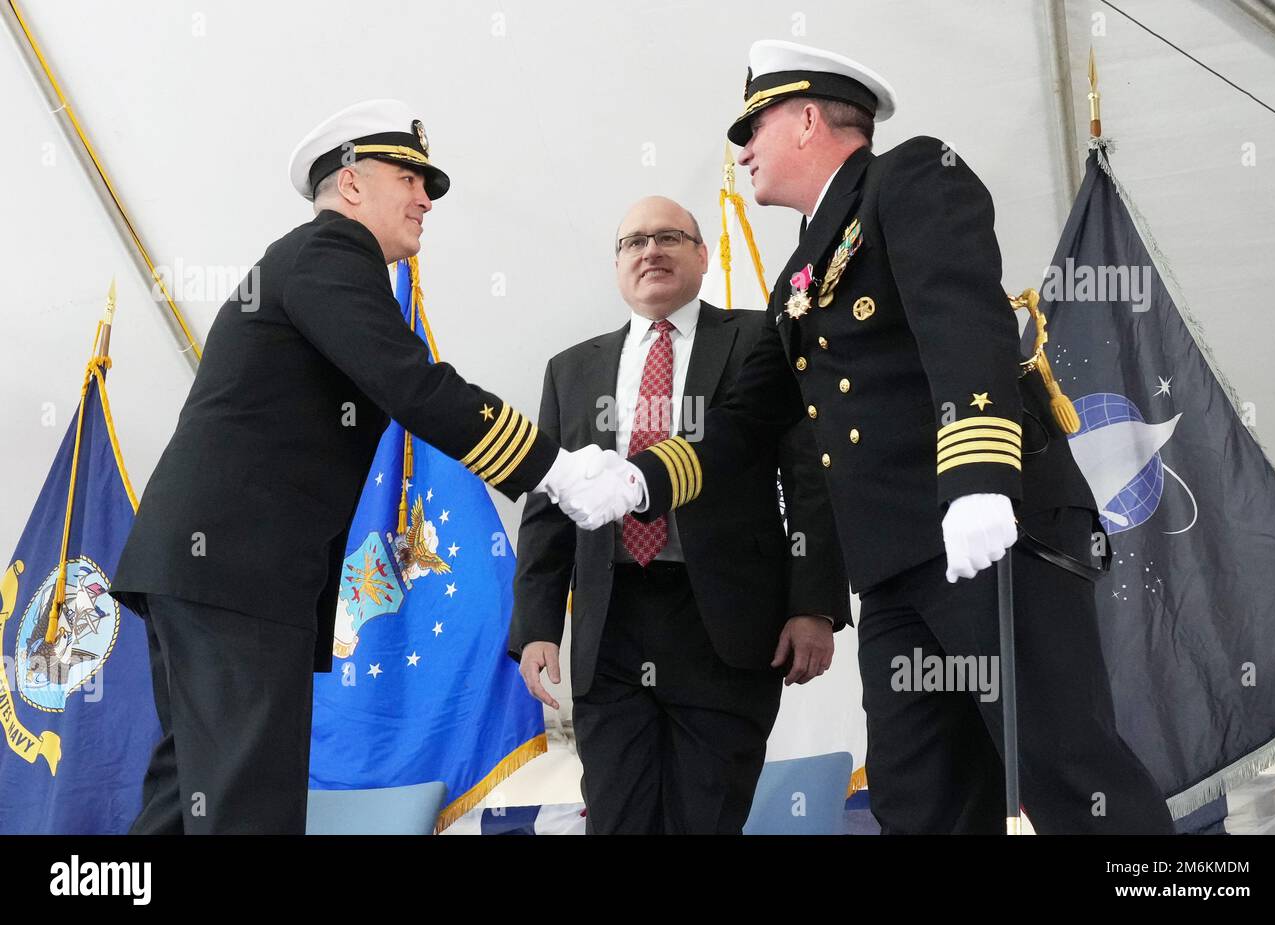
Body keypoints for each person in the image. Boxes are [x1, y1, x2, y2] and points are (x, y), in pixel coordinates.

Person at [560, 42, 1175, 834]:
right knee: (919, 798)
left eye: (754, 124)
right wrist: (641, 480)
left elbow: (966, 320)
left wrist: (982, 476)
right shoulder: (797, 278)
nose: (740, 147)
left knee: (1069, 774)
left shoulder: (911, 177)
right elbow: (747, 419)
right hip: (893, 572)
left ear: (809, 118)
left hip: (988, 538)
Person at [109, 99, 603, 834]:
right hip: (236, 572)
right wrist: (554, 468)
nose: (425, 197)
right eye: (408, 175)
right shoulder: (331, 253)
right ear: (349, 185)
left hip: (207, 569)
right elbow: (414, 385)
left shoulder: (310, 262)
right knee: (246, 802)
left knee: (191, 797)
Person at [511, 195, 850, 833]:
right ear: (616, 266)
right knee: (617, 818)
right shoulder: (571, 370)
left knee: (705, 817)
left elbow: (811, 480)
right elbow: (547, 509)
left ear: (701, 255)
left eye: (669, 237)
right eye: (634, 242)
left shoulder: (759, 341)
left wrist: (814, 605)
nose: (651, 251)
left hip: (721, 623)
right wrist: (536, 626)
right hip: (610, 626)